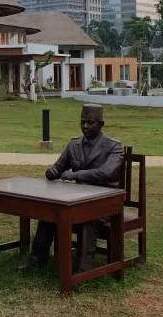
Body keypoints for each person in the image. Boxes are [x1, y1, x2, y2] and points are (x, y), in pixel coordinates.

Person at [21, 104, 124, 273]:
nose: (85, 126)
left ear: (101, 124)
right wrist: (52, 171)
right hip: (76, 200)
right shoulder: (73, 145)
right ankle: (37, 260)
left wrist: (75, 175)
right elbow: (59, 166)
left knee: (86, 218)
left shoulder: (113, 147)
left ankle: (84, 269)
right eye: (82, 122)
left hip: (105, 203)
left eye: (90, 123)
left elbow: (105, 173)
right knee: (49, 213)